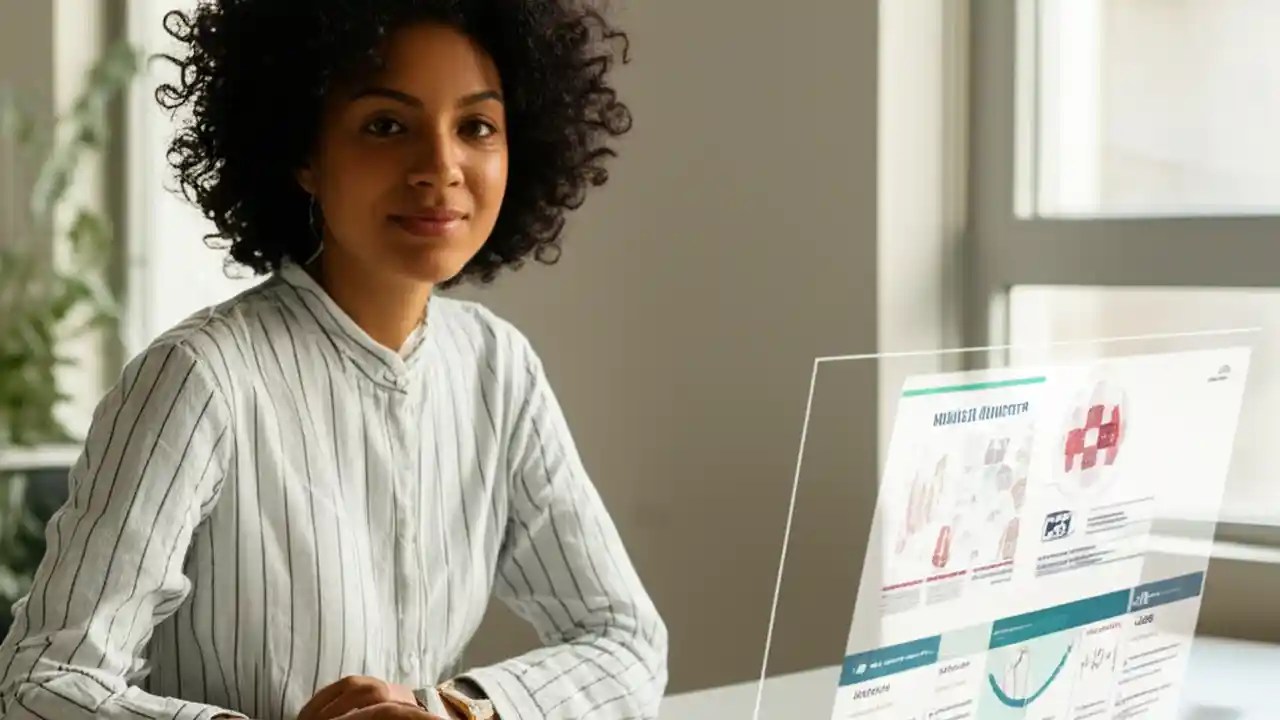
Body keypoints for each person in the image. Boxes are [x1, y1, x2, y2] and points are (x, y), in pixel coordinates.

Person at [0, 1, 667, 718]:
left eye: (476, 126)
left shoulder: (498, 370)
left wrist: (459, 710)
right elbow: (43, 684)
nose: (440, 167)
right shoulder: (200, 378)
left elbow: (626, 641)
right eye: (386, 125)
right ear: (305, 156)